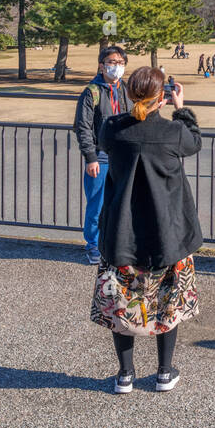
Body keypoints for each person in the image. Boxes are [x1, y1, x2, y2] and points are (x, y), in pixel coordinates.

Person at [91, 67, 202, 395]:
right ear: (160, 98)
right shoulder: (172, 132)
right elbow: (193, 141)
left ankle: (125, 375)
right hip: (165, 233)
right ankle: (164, 373)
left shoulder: (113, 130)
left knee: (122, 304)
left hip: (122, 231)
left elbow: (107, 133)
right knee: (167, 302)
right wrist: (181, 109)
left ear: (130, 94)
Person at [74, 46, 135, 266]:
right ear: (101, 64)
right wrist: (90, 157)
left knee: (121, 204)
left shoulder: (127, 89)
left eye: (121, 62)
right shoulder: (92, 92)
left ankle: (115, 245)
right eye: (112, 62)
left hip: (123, 157)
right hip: (100, 157)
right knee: (97, 204)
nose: (116, 66)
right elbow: (83, 127)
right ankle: (93, 245)